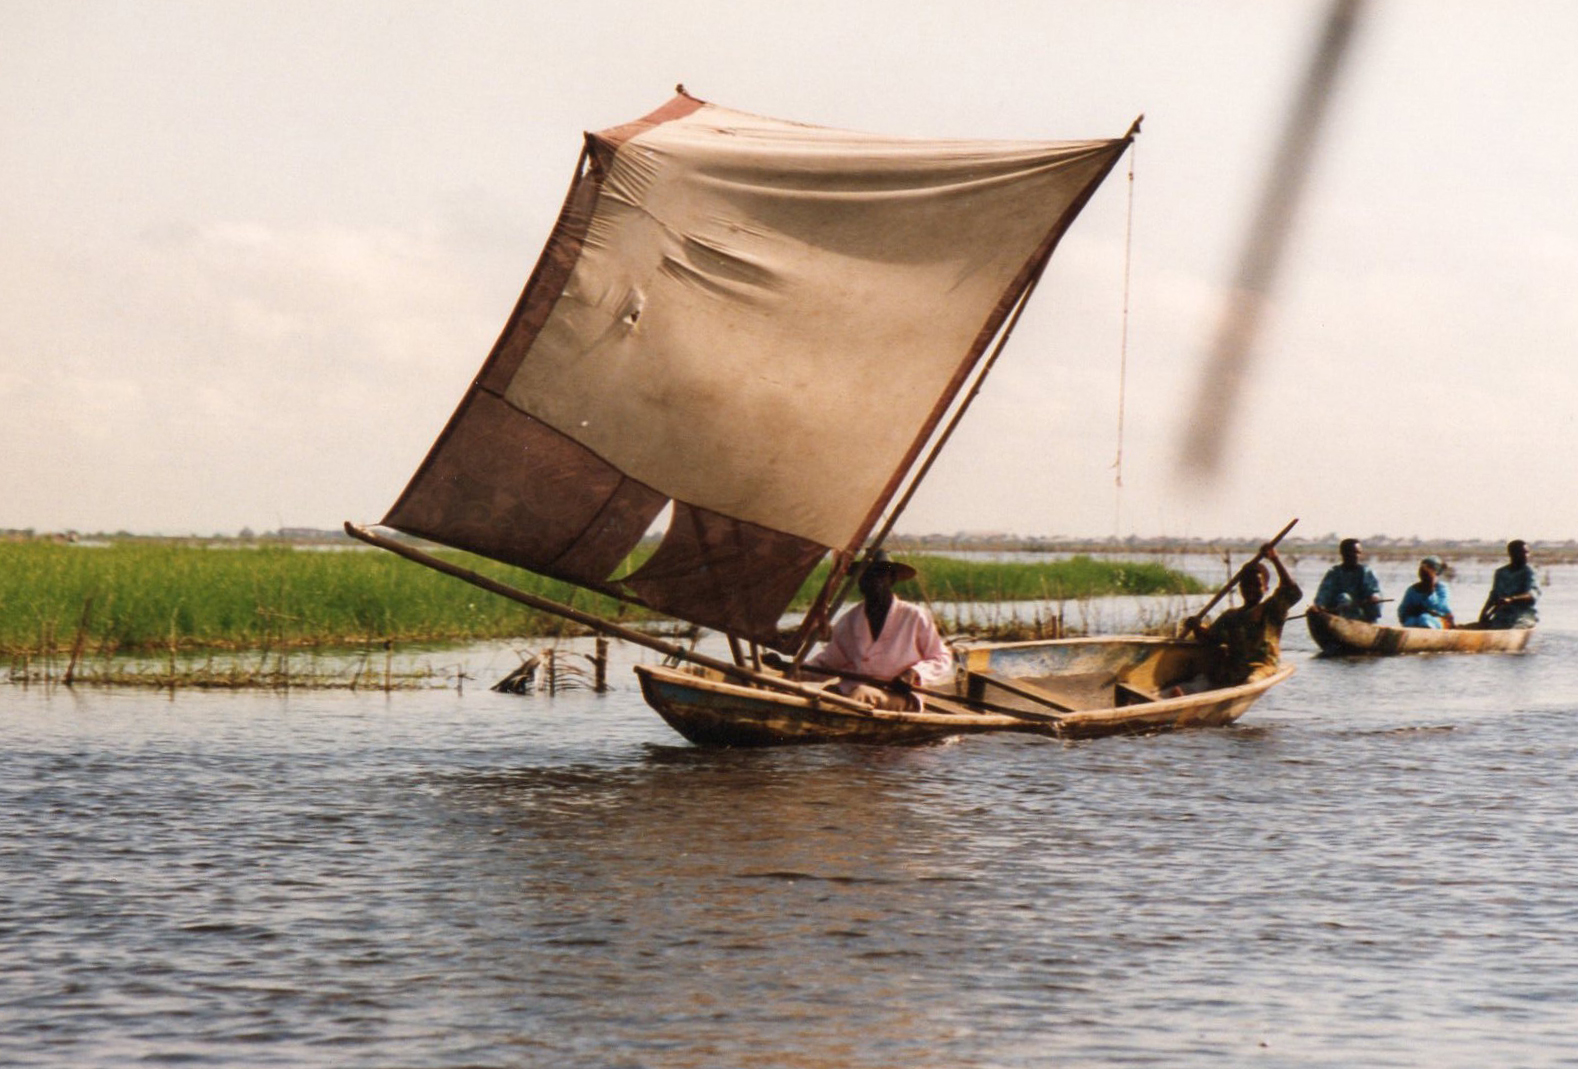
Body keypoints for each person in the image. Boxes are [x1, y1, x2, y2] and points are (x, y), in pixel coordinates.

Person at [801, 550, 953, 710]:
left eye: (880, 574)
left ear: (892, 579)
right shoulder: (848, 621)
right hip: (852, 690)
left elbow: (941, 658)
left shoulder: (914, 616)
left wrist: (913, 674)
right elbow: (827, 663)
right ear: (859, 581)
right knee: (825, 695)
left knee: (862, 694)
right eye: (866, 575)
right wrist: (793, 671)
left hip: (898, 696)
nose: (873, 580)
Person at [1179, 544, 1302, 688]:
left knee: (1251, 682)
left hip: (1262, 668)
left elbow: (1292, 591)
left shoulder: (1272, 608)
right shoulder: (1231, 616)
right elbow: (1211, 638)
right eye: (1246, 585)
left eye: (1256, 585)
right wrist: (1196, 627)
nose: (1251, 589)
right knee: (1199, 681)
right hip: (1234, 670)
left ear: (1265, 588)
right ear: (1240, 588)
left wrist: (1274, 559)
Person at [1310, 537, 1383, 622]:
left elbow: (1374, 591)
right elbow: (1323, 594)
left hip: (1362, 616)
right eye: (1351, 552)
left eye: (1358, 552)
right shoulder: (1334, 573)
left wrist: (1374, 597)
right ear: (1343, 553)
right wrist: (1319, 606)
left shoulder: (1366, 572)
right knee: (1344, 598)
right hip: (1338, 615)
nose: (1355, 555)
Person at [1479, 540, 1539, 629]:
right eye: (1522, 553)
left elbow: (1531, 594)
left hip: (1523, 617)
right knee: (1489, 627)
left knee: (1511, 627)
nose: (1526, 556)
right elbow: (1494, 596)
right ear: (1512, 554)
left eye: (1527, 552)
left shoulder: (1528, 572)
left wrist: (1511, 599)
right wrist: (1484, 613)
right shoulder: (1501, 573)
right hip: (1502, 617)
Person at [1397, 557, 1454, 629]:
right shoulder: (1413, 589)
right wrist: (1411, 613)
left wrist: (1430, 590)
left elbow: (1440, 607)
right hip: (1415, 620)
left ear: (1436, 572)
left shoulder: (1442, 588)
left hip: (1437, 620)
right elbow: (1402, 610)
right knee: (1410, 621)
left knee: (1424, 619)